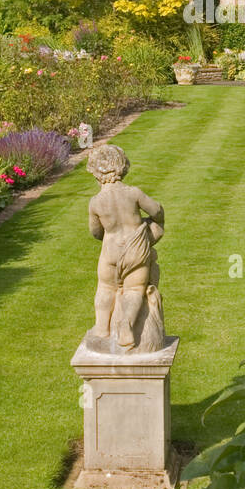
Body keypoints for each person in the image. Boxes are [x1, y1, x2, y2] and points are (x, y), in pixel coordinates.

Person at [87, 144, 165, 350]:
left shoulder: (95, 203)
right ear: (123, 168)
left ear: (95, 173)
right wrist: (153, 223)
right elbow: (156, 210)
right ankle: (126, 327)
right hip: (135, 251)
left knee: (105, 288)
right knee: (134, 289)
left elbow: (95, 232)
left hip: (110, 252)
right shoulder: (133, 193)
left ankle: (102, 329)